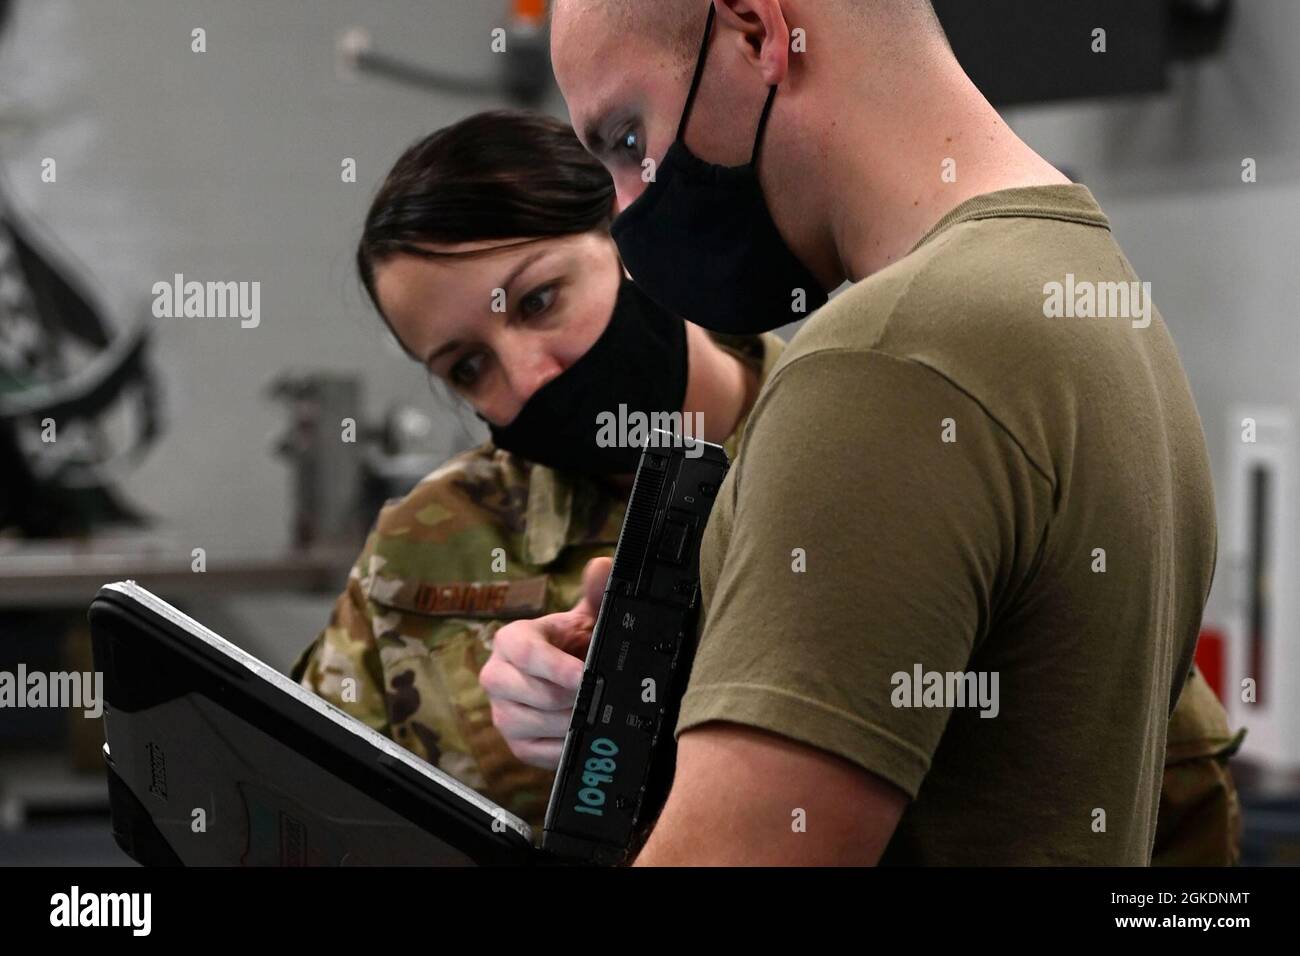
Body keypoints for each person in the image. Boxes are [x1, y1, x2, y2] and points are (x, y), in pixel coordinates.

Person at [483, 0, 1238, 864]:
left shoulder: (889, 358)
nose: (623, 215)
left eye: (627, 140)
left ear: (758, 32)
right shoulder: (1097, 299)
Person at [290, 109, 785, 829]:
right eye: (467, 366)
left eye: (539, 300)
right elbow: (305, 809)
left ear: (630, 228)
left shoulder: (845, 457)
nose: (527, 377)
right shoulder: (427, 541)